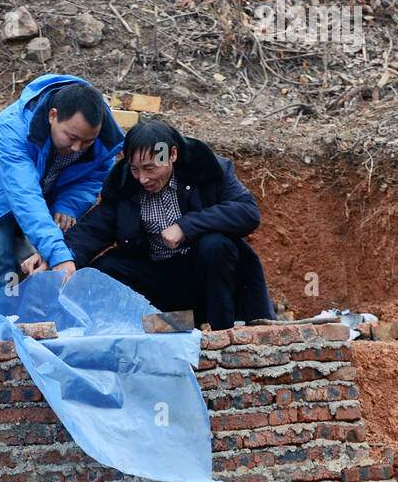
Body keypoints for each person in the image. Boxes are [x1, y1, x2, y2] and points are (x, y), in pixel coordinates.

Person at [52, 120, 274, 329]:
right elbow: (91, 231)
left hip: (210, 281)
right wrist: (59, 257)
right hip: (162, 280)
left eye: (150, 169)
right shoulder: (125, 186)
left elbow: (247, 211)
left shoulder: (207, 170)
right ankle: (158, 325)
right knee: (107, 268)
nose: (143, 179)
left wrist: (186, 226)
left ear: (172, 155)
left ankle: (222, 332)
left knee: (214, 245)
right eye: (135, 169)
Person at [0, 74, 124, 316]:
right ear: (52, 116)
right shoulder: (13, 129)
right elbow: (24, 195)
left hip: (43, 199)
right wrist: (58, 254)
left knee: (33, 260)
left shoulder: (104, 140)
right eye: (72, 138)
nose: (77, 148)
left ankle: (33, 324)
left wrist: (67, 205)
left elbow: (91, 178)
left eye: (87, 141)